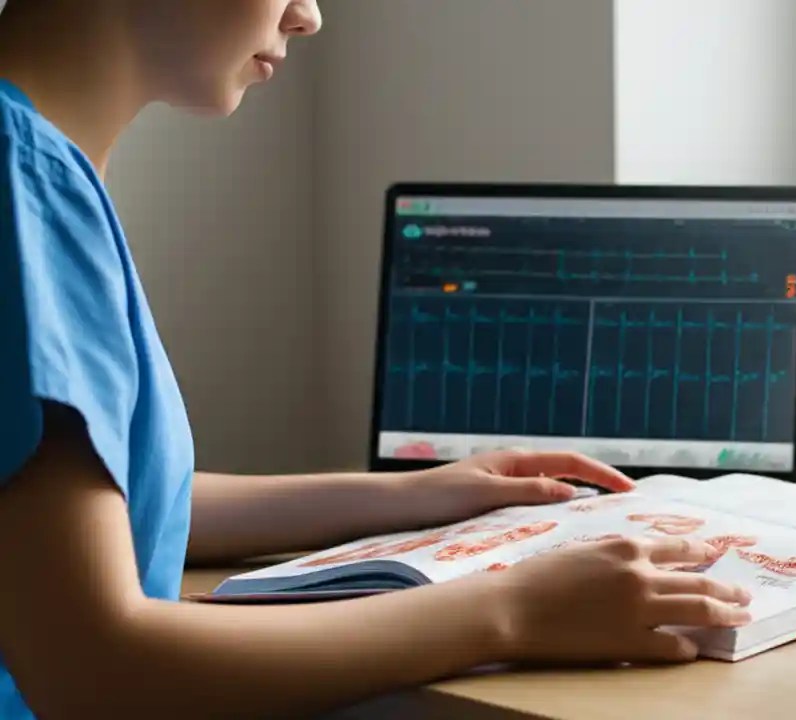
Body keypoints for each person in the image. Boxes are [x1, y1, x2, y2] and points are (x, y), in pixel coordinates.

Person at [0, 1, 753, 717]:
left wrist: (411, 497)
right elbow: (94, 665)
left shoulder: (31, 167)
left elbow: (100, 518)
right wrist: (514, 609)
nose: (308, 15)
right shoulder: (26, 186)